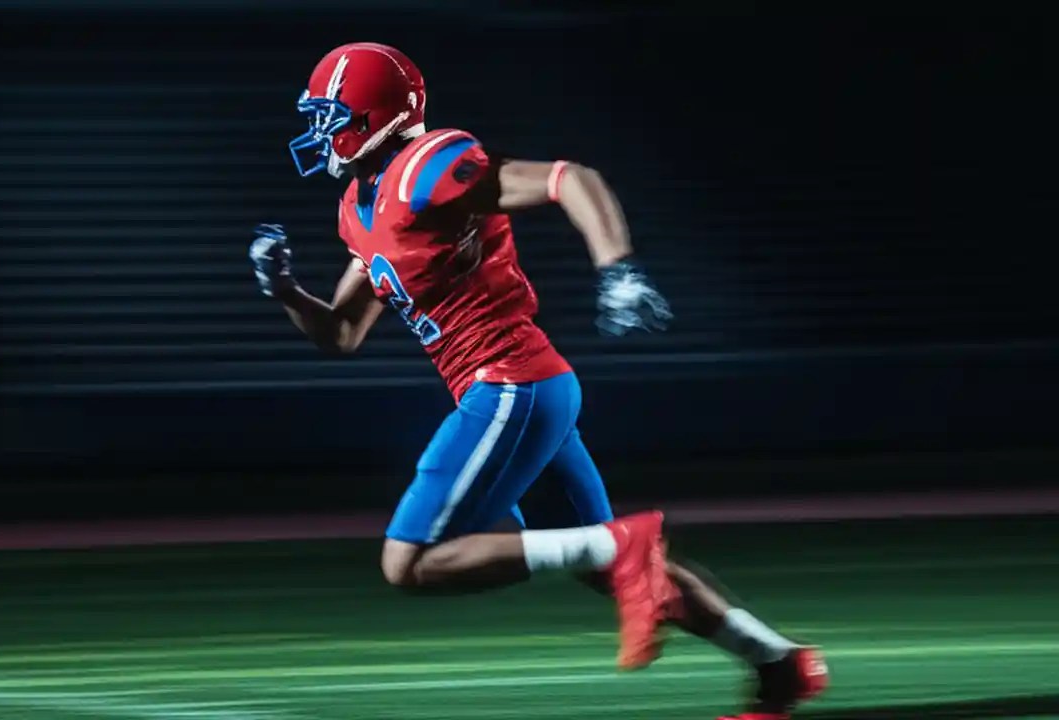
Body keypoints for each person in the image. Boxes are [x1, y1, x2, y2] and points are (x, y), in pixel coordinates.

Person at [248, 42, 828, 719]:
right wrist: (285, 288)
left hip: (510, 384)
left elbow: (568, 179)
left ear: (370, 114)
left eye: (330, 115)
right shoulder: (361, 204)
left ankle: (621, 542)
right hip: (519, 391)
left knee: (408, 560)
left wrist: (619, 270)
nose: (320, 132)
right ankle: (780, 664)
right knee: (608, 571)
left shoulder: (426, 169)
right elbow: (342, 333)